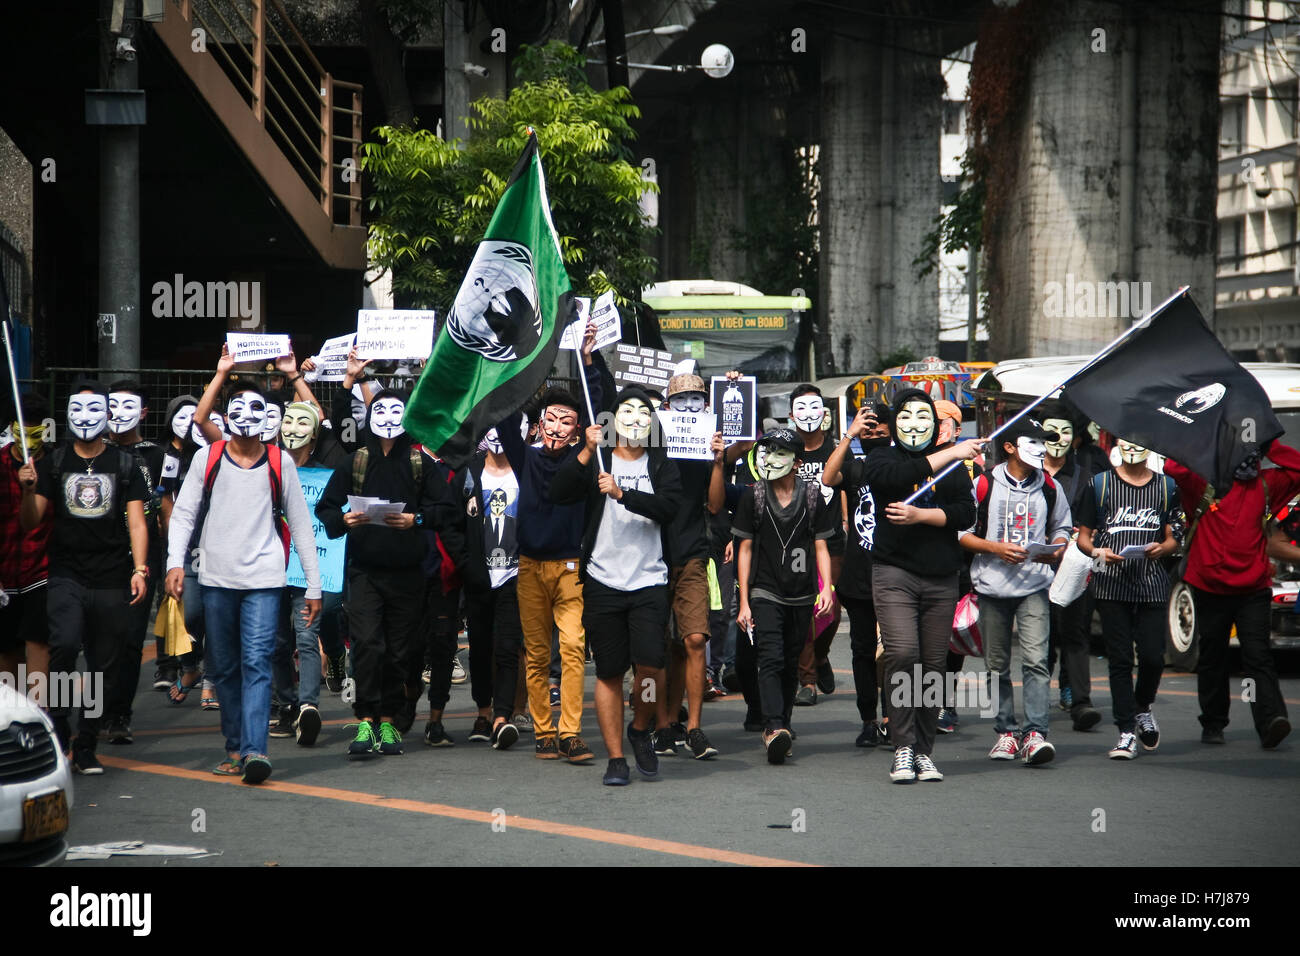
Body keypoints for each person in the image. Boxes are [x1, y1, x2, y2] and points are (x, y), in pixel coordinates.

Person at [165, 361, 322, 784]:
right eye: (238, 408)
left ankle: (255, 751)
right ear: (227, 415)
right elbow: (183, 515)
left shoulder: (279, 462)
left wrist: (313, 583)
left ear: (268, 420)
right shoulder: (207, 457)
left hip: (265, 582)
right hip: (215, 580)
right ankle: (234, 746)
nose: (246, 417)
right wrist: (174, 563)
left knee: (256, 662)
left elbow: (301, 523)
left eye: (256, 410)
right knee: (226, 666)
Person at [316, 386, 457, 759]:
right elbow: (326, 508)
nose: (390, 420)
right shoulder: (355, 462)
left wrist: (417, 519)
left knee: (400, 650)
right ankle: (365, 718)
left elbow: (446, 509)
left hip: (408, 573)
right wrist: (343, 519)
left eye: (398, 412)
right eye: (381, 411)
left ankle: (390, 720)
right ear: (370, 417)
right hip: (363, 572)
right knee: (367, 643)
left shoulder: (419, 464)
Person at [551, 387, 683, 785]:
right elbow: (558, 492)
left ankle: (640, 728)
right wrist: (587, 452)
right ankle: (615, 758)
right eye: (627, 411)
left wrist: (623, 494)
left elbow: (669, 509)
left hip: (648, 580)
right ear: (610, 419)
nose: (636, 419)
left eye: (644, 412)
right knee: (609, 672)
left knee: (650, 666)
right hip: (602, 580)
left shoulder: (661, 464)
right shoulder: (597, 459)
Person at [18, 381, 150, 774]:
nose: (86, 418)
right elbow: (30, 521)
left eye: (96, 410)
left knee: (101, 663)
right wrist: (27, 491)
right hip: (65, 574)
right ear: (67, 414)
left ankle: (87, 742)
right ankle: (58, 731)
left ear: (108, 415)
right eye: (79, 409)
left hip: (111, 576)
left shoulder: (124, 464)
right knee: (63, 646)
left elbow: (137, 523)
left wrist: (140, 570)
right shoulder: (53, 463)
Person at [496, 321, 607, 762]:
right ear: (539, 425)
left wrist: (588, 360)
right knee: (537, 653)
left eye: (567, 421)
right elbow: (504, 414)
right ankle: (544, 731)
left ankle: (570, 732)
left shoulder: (586, 460)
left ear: (579, 430)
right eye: (550, 420)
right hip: (528, 567)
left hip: (570, 569)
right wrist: (510, 356)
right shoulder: (525, 456)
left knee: (574, 648)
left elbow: (597, 404)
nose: (557, 427)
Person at [863, 390, 983, 783]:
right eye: (906, 417)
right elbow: (893, 479)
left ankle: (923, 751)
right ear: (895, 422)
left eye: (923, 417)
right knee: (902, 653)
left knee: (933, 666)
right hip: (894, 572)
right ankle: (901, 746)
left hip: (942, 577)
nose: (915, 425)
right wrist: (951, 452)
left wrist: (922, 515)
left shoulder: (954, 467)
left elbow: (965, 514)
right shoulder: (883, 454)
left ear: (935, 422)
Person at [1164, 439, 1300, 748]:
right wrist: (1209, 440)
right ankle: (1213, 722)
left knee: (1258, 657)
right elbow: (1173, 466)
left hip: (1253, 588)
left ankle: (1269, 722)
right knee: (1213, 656)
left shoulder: (1266, 484)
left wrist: (1268, 443)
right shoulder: (1202, 483)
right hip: (1209, 586)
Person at [959, 418, 1073, 767]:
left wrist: (1056, 547)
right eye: (1034, 442)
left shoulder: (1050, 486)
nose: (1043, 449)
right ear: (1009, 447)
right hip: (992, 588)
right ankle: (1006, 733)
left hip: (1035, 586)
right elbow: (962, 533)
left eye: (1046, 442)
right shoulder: (983, 484)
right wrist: (995, 548)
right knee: (995, 665)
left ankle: (1035, 733)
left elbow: (1063, 527)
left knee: (1037, 662)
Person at [732, 428, 836, 765]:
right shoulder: (754, 496)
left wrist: (825, 587)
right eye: (768, 452)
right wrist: (745, 600)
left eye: (780, 453)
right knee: (771, 656)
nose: (771, 459)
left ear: (797, 462)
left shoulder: (812, 496)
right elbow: (745, 548)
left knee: (791, 661)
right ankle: (772, 726)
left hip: (802, 592)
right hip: (765, 590)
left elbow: (820, 543)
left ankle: (784, 726)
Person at [1076, 439, 1182, 759]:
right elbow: (1082, 536)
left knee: (1152, 655)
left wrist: (1163, 548)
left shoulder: (1167, 487)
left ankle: (1143, 706)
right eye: (1126, 441)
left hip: (1151, 582)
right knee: (1120, 659)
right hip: (1111, 583)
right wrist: (1097, 552)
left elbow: (1175, 534)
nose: (1132, 447)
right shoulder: (1100, 484)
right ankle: (1125, 731)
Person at [267, 399, 349, 745]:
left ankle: (307, 708)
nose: (293, 430)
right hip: (269, 567)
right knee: (277, 641)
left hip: (309, 568)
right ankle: (285, 706)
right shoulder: (266, 465)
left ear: (315, 435)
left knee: (305, 635)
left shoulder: (328, 470)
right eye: (288, 421)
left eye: (303, 424)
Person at [651, 373, 720, 760]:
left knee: (694, 639)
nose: (690, 408)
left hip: (693, 553)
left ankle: (694, 727)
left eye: (697, 400)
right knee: (662, 647)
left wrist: (718, 460)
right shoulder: (653, 448)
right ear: (666, 409)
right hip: (653, 556)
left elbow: (714, 505)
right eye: (682, 401)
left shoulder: (705, 447)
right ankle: (663, 725)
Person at [822, 401, 892, 748]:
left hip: (897, 574)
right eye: (870, 428)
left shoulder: (903, 468)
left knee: (899, 652)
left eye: (882, 428)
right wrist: (849, 435)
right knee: (863, 652)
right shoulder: (856, 467)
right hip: (859, 578)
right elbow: (827, 477)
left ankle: (896, 719)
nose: (875, 433)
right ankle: (869, 720)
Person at [451, 427, 525, 751]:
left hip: (515, 575)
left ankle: (502, 716)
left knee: (508, 647)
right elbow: (453, 522)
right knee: (480, 649)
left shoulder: (526, 468)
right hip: (479, 577)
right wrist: (467, 564)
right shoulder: (469, 471)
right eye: (490, 427)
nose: (498, 434)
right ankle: (482, 712)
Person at [102, 380, 166, 744]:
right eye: (112, 406)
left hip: (142, 558)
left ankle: (119, 714)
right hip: (99, 556)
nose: (117, 415)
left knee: (129, 639)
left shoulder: (156, 456)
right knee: (98, 639)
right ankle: (94, 713)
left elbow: (168, 506)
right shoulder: (90, 452)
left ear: (143, 412)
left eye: (129, 407)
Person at [1038, 401, 1105, 728]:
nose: (1059, 437)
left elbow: (1098, 518)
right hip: (1034, 569)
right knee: (1043, 638)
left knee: (1076, 633)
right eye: (1052, 430)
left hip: (1075, 567)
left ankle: (1080, 701)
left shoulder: (1085, 474)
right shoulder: (1027, 471)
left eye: (1066, 431)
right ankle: (1036, 704)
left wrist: (1084, 532)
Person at [785, 384, 846, 706]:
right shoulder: (784, 451)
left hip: (832, 541)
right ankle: (806, 681)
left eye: (814, 407)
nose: (808, 414)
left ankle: (820, 659)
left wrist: (847, 523)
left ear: (824, 413)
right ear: (791, 414)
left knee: (830, 612)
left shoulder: (836, 449)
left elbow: (846, 487)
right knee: (804, 613)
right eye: (801, 408)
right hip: (794, 545)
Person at [0, 394, 53, 707]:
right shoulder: (1, 464)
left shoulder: (53, 464)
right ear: (11, 428)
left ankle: (40, 714)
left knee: (39, 644)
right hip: (5, 572)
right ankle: (12, 714)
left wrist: (32, 489)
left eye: (36, 432)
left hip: (42, 570)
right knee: (7, 650)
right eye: (23, 432)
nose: (29, 440)